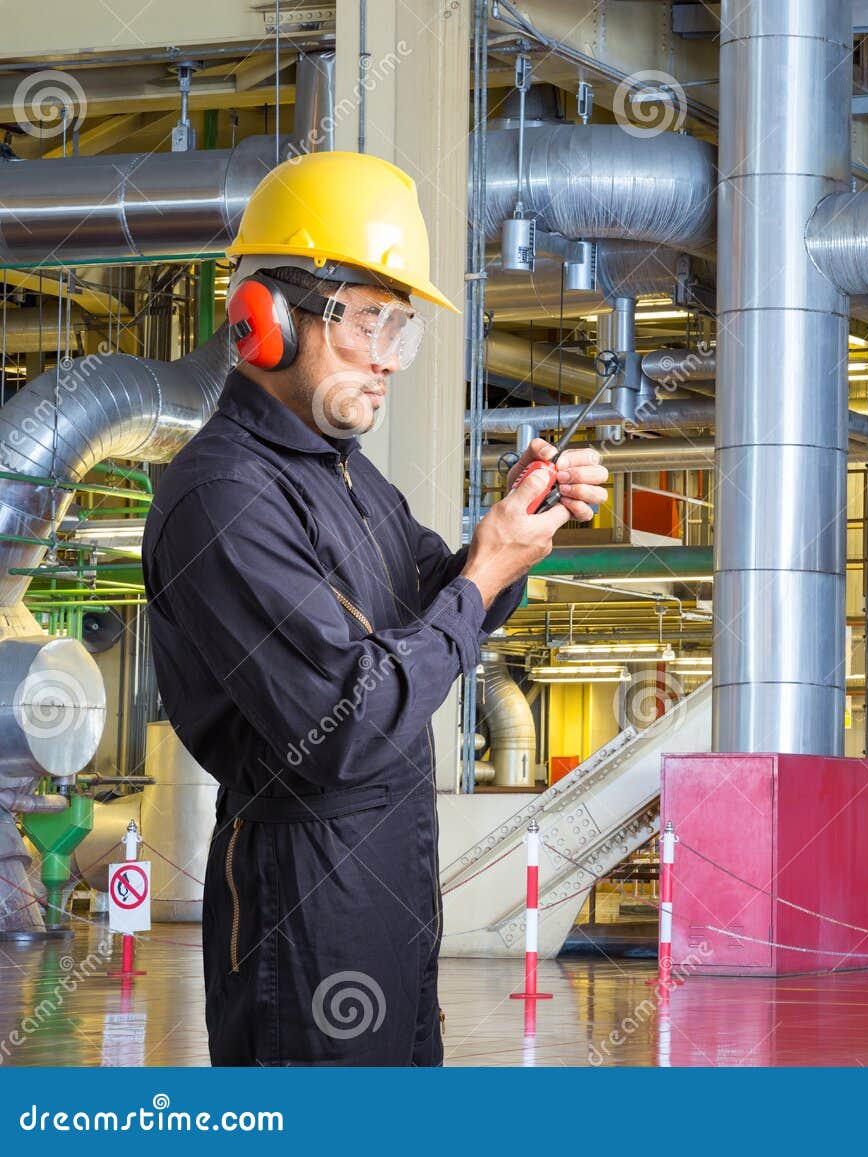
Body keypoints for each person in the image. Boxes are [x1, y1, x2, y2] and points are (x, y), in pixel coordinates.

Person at [142, 151, 608, 1065]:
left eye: (404, 330)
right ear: (267, 319)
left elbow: (442, 603)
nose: (390, 360)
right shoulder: (225, 497)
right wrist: (482, 577)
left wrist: (514, 528)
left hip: (392, 885)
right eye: (369, 323)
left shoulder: (350, 479)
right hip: (302, 908)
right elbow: (346, 721)